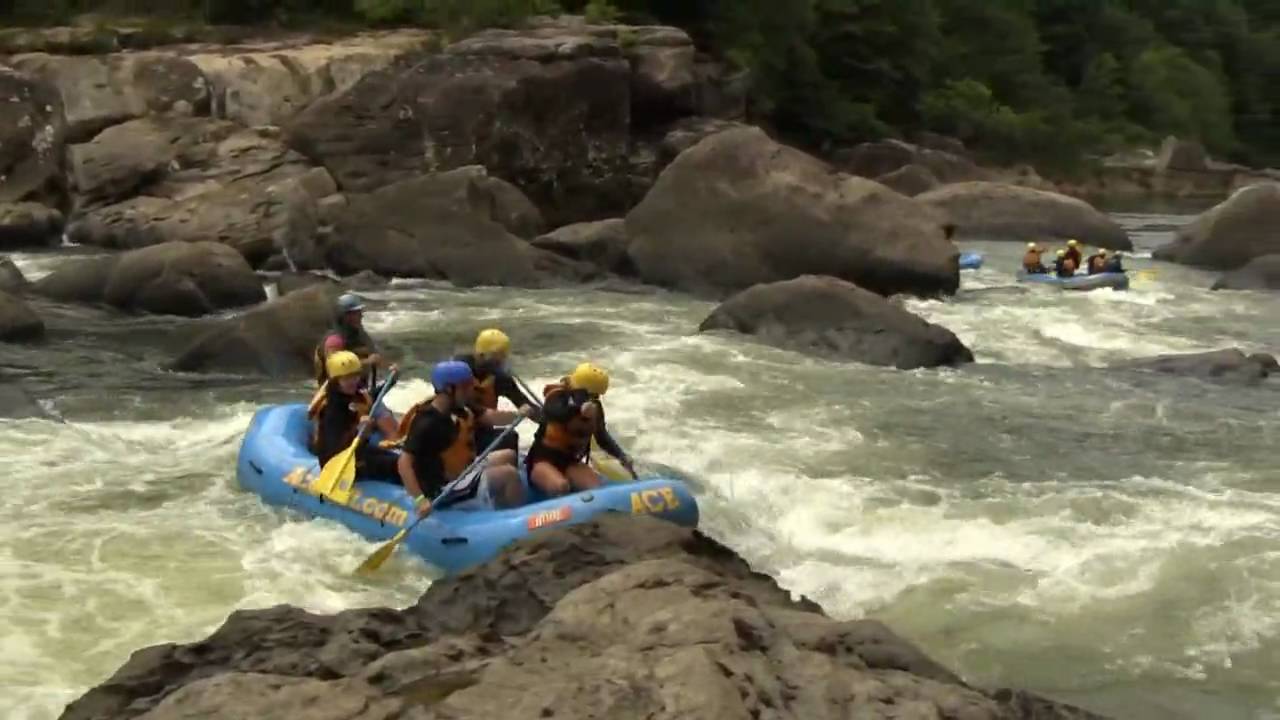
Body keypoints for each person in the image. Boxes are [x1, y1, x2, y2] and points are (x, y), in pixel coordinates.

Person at [398, 360, 527, 517]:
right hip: (445, 488)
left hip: (464, 472)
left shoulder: (460, 407)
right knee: (508, 474)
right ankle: (517, 518)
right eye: (465, 386)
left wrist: (519, 414)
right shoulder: (427, 422)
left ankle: (499, 502)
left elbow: (491, 417)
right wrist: (420, 500)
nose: (470, 391)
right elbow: (404, 462)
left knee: (508, 455)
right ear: (448, 389)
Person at [527, 362, 634, 497]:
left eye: (596, 396)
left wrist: (621, 456)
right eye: (592, 395)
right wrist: (577, 409)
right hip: (542, 460)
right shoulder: (557, 397)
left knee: (595, 488)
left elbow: (601, 436)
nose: (595, 399)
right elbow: (552, 413)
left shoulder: (595, 407)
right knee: (560, 486)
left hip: (570, 461)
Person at [312, 292, 397, 437]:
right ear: (345, 316)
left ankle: (396, 445)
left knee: (386, 416)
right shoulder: (334, 341)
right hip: (338, 395)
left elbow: (375, 357)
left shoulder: (360, 335)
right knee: (382, 415)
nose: (361, 315)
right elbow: (335, 367)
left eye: (359, 312)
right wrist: (367, 362)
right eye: (356, 313)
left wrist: (390, 368)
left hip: (359, 392)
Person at [307, 351, 401, 479]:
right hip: (339, 463)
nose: (353, 381)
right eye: (346, 378)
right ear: (336, 380)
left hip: (357, 453)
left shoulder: (355, 394)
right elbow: (334, 448)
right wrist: (359, 432)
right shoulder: (332, 408)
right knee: (397, 465)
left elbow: (373, 395)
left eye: (355, 376)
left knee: (402, 460)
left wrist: (392, 380)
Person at [455, 328, 538, 454]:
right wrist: (516, 416)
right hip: (456, 432)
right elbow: (479, 413)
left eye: (503, 356)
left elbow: (523, 402)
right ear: (481, 355)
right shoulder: (459, 371)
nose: (501, 362)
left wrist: (551, 420)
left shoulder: (500, 378)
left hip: (482, 433)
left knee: (510, 437)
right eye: (497, 357)